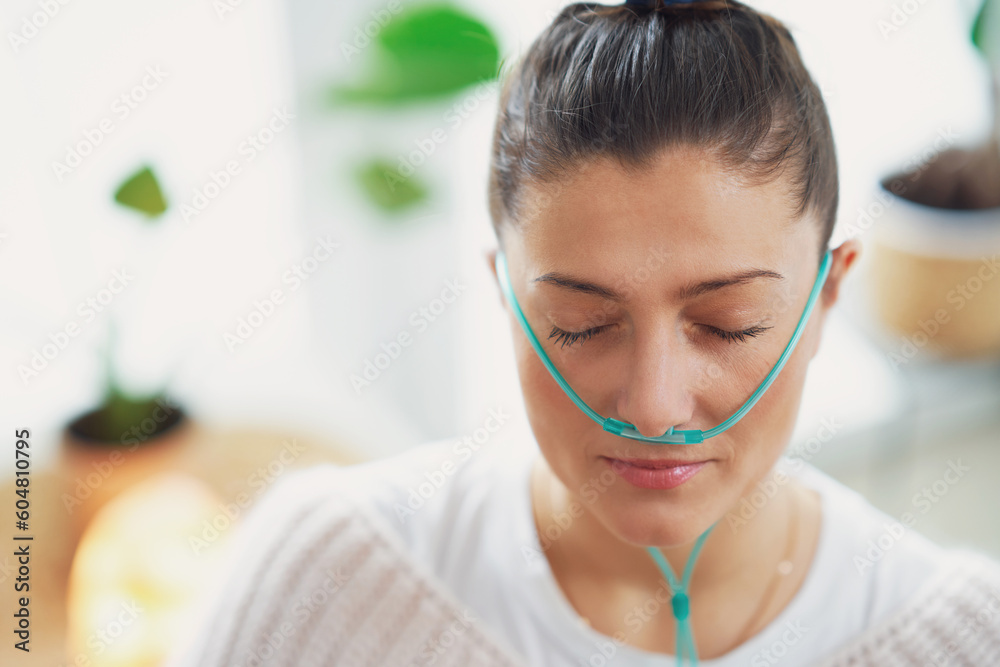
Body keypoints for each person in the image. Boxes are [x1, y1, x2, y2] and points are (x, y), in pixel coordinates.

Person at [169, 1, 1000, 665]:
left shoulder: (964, 637)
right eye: (582, 324)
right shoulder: (329, 577)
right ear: (504, 293)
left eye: (727, 323)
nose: (652, 406)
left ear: (827, 297)